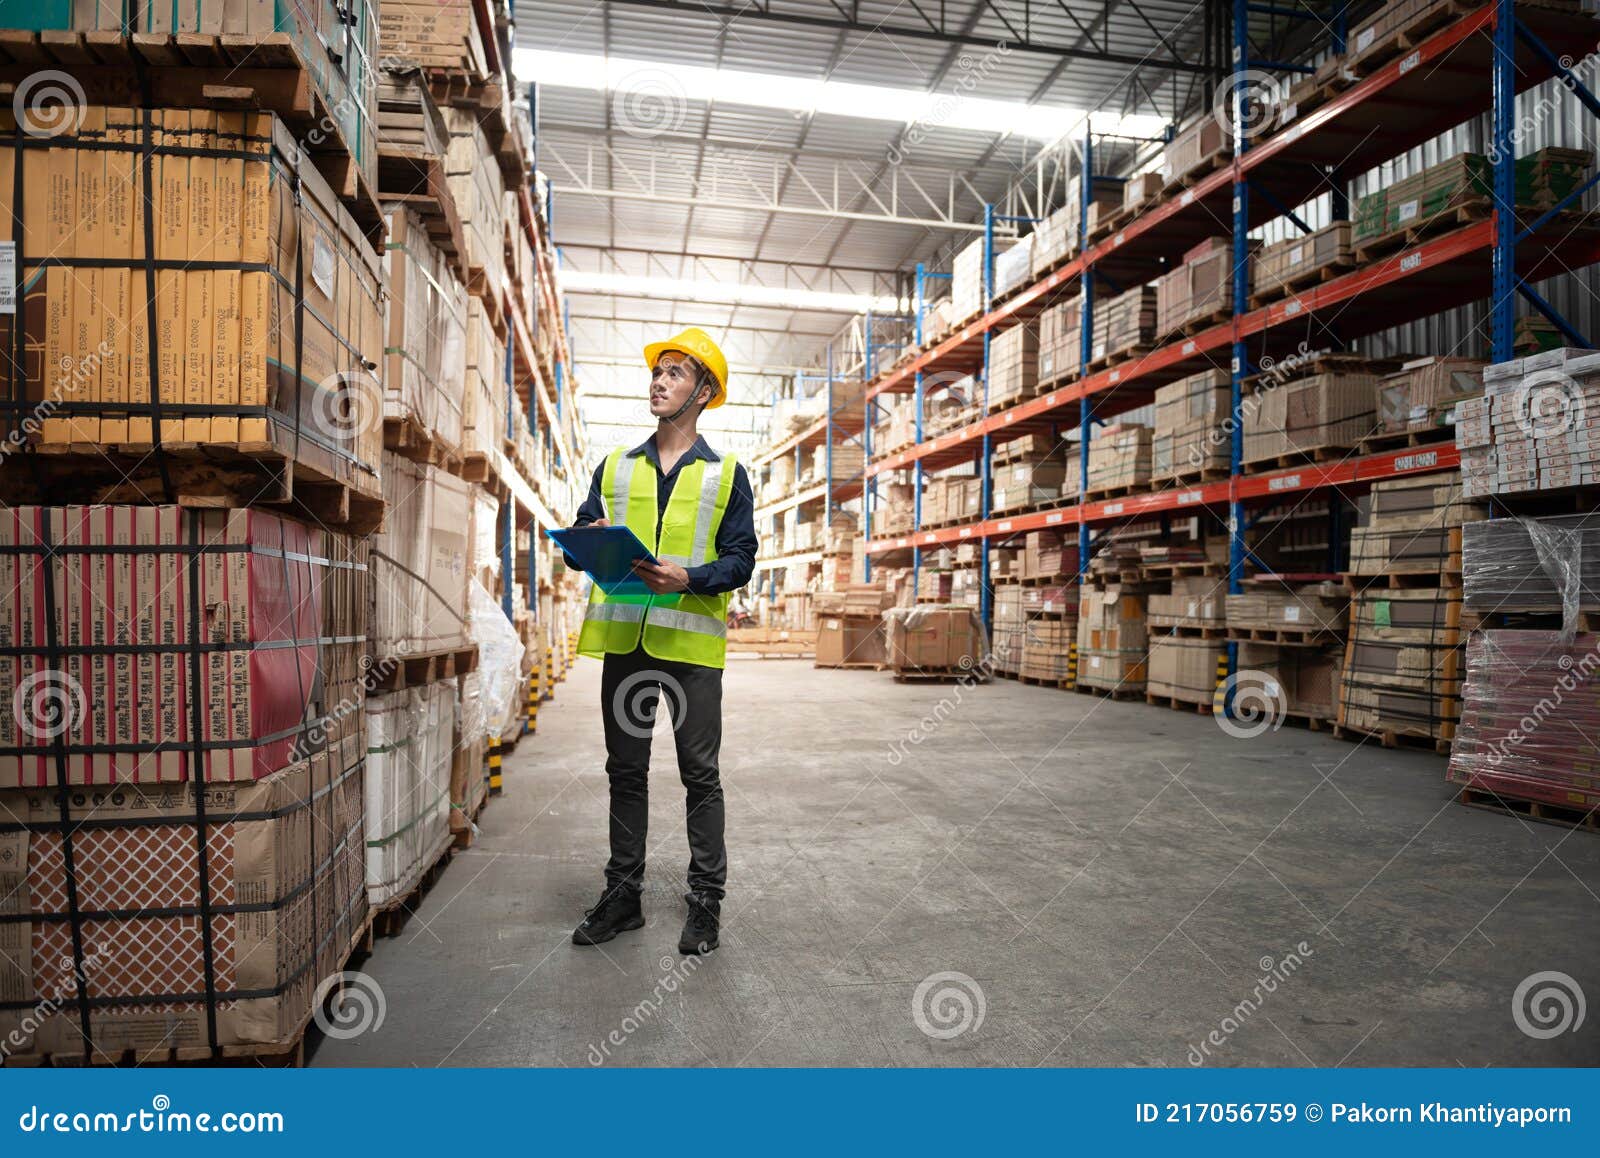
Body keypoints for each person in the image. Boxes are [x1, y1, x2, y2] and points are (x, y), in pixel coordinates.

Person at [561, 327, 757, 955]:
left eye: (675, 373)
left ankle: (705, 904)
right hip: (627, 646)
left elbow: (741, 560)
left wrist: (689, 577)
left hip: (692, 651)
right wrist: (589, 538)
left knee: (700, 774)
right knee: (626, 771)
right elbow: (580, 544)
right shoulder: (615, 465)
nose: (659, 380)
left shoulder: (727, 474)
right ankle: (624, 898)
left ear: (703, 392)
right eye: (657, 371)